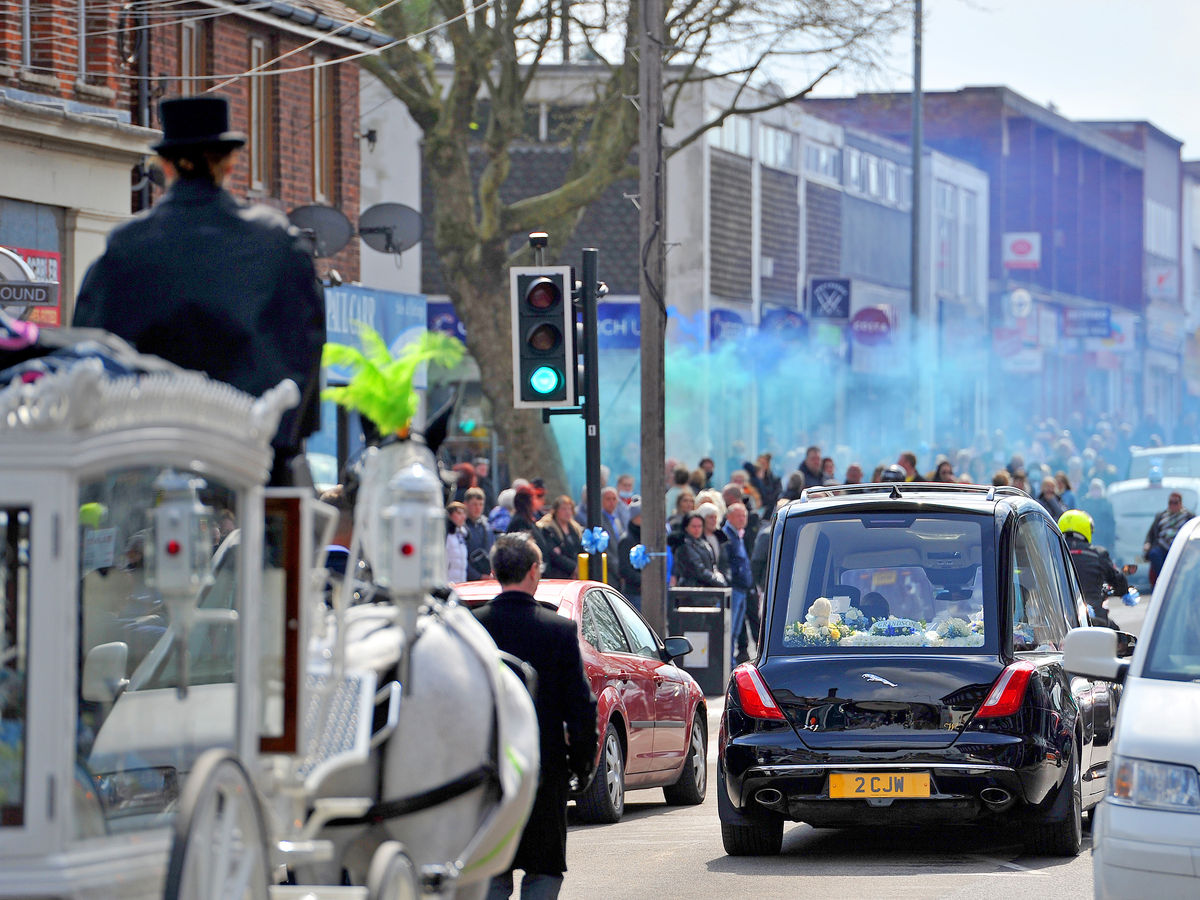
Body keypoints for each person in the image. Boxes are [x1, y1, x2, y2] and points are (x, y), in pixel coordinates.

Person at [72, 95, 324, 487]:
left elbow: (93, 346)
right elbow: (303, 349)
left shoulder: (127, 245)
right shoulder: (276, 242)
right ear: (229, 161)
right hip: (251, 458)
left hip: (145, 459)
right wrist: (285, 443)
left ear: (165, 165)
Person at [473, 534, 598, 900]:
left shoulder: (473, 627)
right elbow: (580, 706)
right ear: (533, 571)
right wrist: (581, 766)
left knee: (492, 871)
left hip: (485, 771)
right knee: (543, 870)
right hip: (543, 769)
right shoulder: (557, 630)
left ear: (494, 571)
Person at [1059, 509, 1127, 627]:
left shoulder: (1051, 554)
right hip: (1093, 619)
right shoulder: (1098, 553)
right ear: (1087, 529)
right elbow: (1119, 581)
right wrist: (1122, 591)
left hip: (1059, 620)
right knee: (1121, 638)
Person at [723, 502, 755, 663]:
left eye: (744, 515)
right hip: (734, 587)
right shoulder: (727, 535)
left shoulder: (738, 534)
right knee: (730, 632)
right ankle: (728, 664)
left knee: (735, 631)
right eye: (738, 516)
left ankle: (730, 662)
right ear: (729, 517)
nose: (742, 519)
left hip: (742, 589)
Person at [1144, 491, 1195, 587]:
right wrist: (1147, 543)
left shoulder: (1188, 516)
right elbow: (1151, 533)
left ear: (1180, 503)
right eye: (1170, 503)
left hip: (1180, 547)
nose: (1172, 505)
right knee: (1154, 554)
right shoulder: (1161, 516)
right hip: (1163, 546)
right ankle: (1163, 578)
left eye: (1175, 503)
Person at [672, 512, 727, 588]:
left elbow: (713, 565)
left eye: (699, 526)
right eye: (694, 526)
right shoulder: (684, 545)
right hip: (692, 590)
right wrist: (718, 581)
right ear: (686, 527)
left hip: (708, 589)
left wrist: (718, 576)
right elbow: (698, 570)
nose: (697, 529)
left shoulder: (704, 543)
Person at [536, 495, 584, 579]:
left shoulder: (575, 528)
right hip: (558, 575)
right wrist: (573, 568)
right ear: (556, 511)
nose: (567, 512)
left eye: (569, 509)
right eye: (564, 509)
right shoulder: (548, 530)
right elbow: (554, 555)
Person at [616, 498, 643, 610]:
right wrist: (643, 580)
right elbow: (624, 569)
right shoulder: (627, 540)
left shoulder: (644, 537)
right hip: (633, 593)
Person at [463, 487, 494, 580]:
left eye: (481, 504)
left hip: (487, 577)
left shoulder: (487, 526)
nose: (478, 508)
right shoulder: (461, 527)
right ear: (466, 504)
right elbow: (459, 558)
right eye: (474, 504)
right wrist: (478, 576)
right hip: (467, 579)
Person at [1079, 478, 1116, 551]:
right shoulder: (1085, 502)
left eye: (1097, 489)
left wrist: (1111, 540)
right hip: (1089, 535)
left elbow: (1111, 522)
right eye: (1093, 489)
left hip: (1104, 538)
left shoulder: (1107, 503)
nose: (1095, 492)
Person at [445, 501, 469, 582]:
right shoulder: (445, 534)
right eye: (459, 513)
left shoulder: (463, 534)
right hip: (448, 583)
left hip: (462, 583)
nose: (463, 517)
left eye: (464, 513)